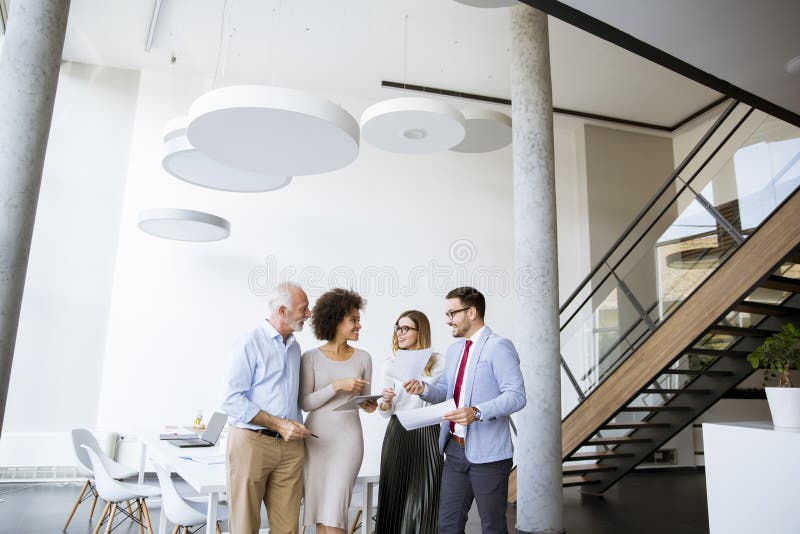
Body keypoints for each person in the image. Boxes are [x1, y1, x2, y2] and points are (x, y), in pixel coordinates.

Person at [404, 287, 526, 534]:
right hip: (455, 450)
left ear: (471, 312)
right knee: (447, 526)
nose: (447, 320)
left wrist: (477, 411)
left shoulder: (499, 346)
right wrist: (424, 389)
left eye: (452, 313)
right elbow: (447, 391)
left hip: (489, 456)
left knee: (492, 527)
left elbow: (516, 396)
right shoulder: (456, 350)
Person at [222, 282, 313, 534]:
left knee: (288, 528)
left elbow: (290, 397)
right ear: (283, 311)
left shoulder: (295, 346)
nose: (309, 314)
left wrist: (296, 424)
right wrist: (278, 423)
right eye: (303, 309)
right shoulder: (249, 342)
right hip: (251, 443)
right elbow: (231, 399)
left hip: (290, 447)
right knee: (245, 526)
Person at [300, 288, 377, 534]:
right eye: (353, 320)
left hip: (348, 441)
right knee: (322, 514)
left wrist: (369, 405)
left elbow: (364, 401)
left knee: (335, 513)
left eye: (358, 319)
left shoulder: (364, 358)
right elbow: (305, 403)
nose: (359, 325)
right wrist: (337, 386)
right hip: (316, 441)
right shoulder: (310, 358)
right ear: (335, 320)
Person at [376, 310, 445, 534]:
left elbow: (445, 397)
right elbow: (386, 411)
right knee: (394, 494)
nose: (399, 333)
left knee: (424, 498)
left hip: (428, 432)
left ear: (420, 331)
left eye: (405, 328)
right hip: (398, 432)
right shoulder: (390, 363)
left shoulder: (438, 362)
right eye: (397, 328)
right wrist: (385, 402)